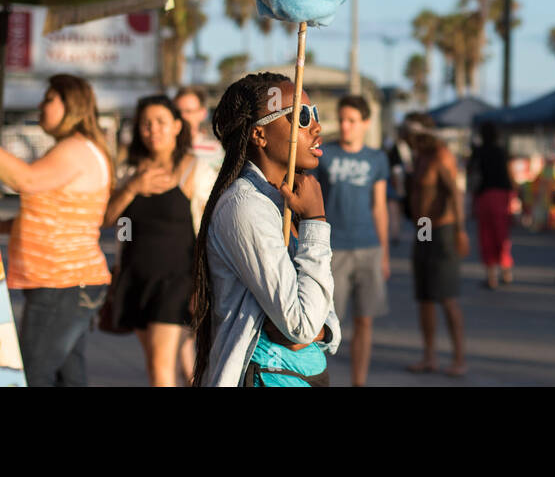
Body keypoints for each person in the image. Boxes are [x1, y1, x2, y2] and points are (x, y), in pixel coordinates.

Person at [0, 75, 111, 387]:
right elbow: (61, 214)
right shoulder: (78, 149)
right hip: (68, 284)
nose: (41, 105)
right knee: (68, 378)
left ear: (72, 105)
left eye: (49, 99)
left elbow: (25, 181)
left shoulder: (76, 148)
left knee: (36, 375)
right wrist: (3, 225)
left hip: (63, 283)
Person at [191, 73, 341, 387]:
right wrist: (316, 222)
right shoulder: (245, 206)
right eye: (301, 116)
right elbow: (301, 326)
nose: (316, 127)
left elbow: (321, 317)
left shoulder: (284, 200)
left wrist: (324, 331)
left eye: (314, 115)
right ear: (259, 135)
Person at [104, 94, 199, 386]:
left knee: (161, 368)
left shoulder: (194, 170)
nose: (153, 130)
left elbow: (211, 231)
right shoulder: (128, 171)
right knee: (159, 366)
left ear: (177, 126)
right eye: (146, 124)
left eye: (160, 122)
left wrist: (205, 284)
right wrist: (132, 188)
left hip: (177, 283)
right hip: (137, 280)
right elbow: (111, 221)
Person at [314, 94, 390, 387]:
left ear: (365, 123)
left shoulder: (377, 158)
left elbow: (380, 206)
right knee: (324, 322)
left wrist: (383, 253)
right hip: (333, 250)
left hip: (368, 246)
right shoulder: (325, 154)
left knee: (365, 320)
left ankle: (359, 381)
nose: (345, 126)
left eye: (352, 121)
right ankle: (317, 379)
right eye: (342, 120)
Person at [405, 116, 467, 376]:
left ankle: (459, 359)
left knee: (447, 297)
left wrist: (460, 231)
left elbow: (454, 192)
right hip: (423, 231)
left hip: (441, 229)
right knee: (425, 297)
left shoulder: (441, 156)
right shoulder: (419, 157)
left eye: (408, 132)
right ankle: (429, 356)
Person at [172, 85, 224, 380]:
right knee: (179, 324)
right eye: (178, 111)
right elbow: (127, 221)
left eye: (189, 111)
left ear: (202, 113)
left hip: (206, 243)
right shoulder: (164, 151)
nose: (183, 117)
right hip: (175, 249)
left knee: (201, 322)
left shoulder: (215, 150)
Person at [468, 122, 516, 289]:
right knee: (502, 235)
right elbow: (510, 175)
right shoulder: (502, 151)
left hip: (484, 195)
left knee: (486, 236)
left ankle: (491, 277)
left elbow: (472, 176)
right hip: (503, 195)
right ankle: (506, 272)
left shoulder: (478, 152)